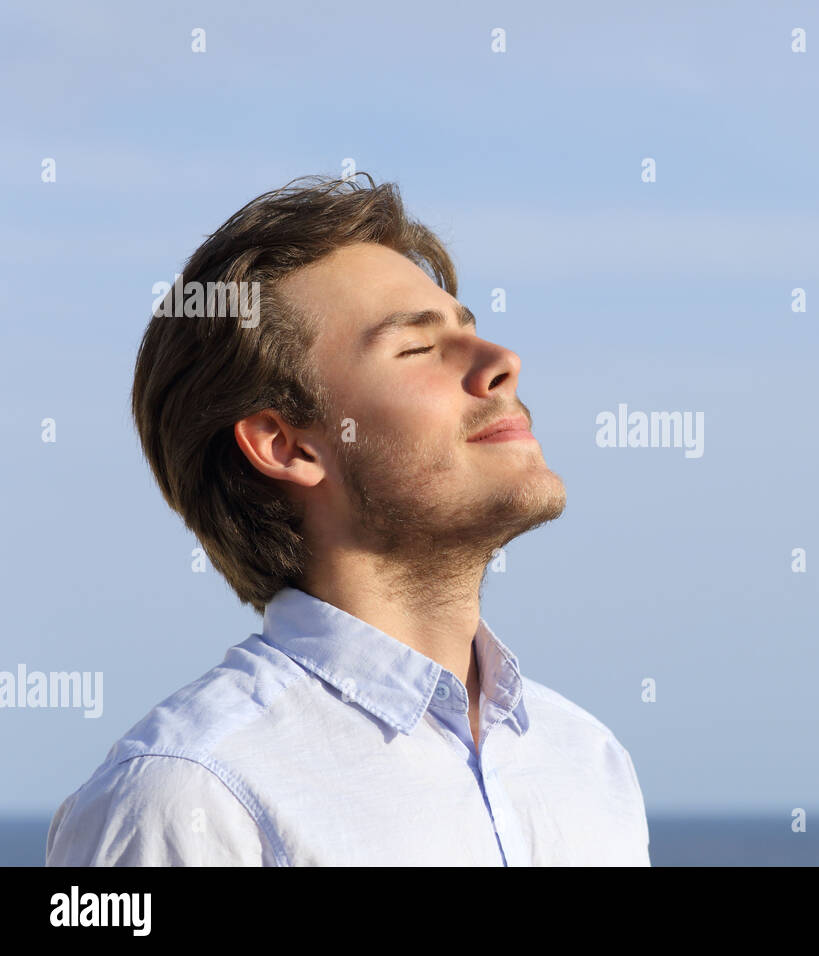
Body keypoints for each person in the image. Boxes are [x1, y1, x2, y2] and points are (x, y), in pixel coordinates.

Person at [45, 174, 650, 866]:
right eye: (419, 349)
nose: (502, 364)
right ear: (289, 445)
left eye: (471, 332)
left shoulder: (589, 762)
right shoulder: (185, 799)